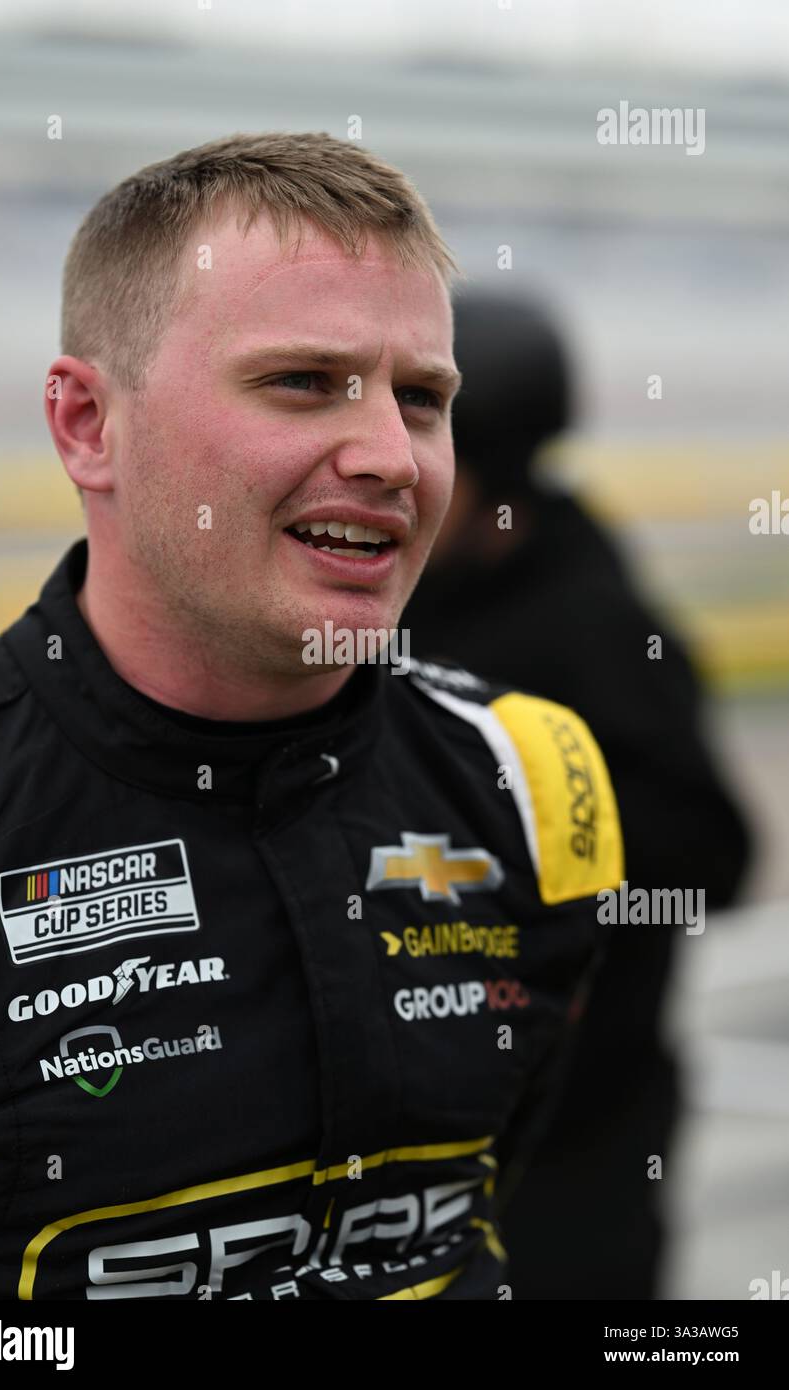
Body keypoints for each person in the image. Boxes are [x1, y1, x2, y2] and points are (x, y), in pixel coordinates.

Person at [0, 134, 623, 1302]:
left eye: (423, 399)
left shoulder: (532, 774)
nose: (392, 457)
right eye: (303, 381)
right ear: (89, 424)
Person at [403, 291, 753, 1299]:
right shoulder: (411, 589)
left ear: (501, 470)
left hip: (574, 1137)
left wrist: (519, 832)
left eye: (437, 449)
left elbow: (710, 856)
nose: (402, 477)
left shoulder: (593, 627)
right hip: (420, 1127)